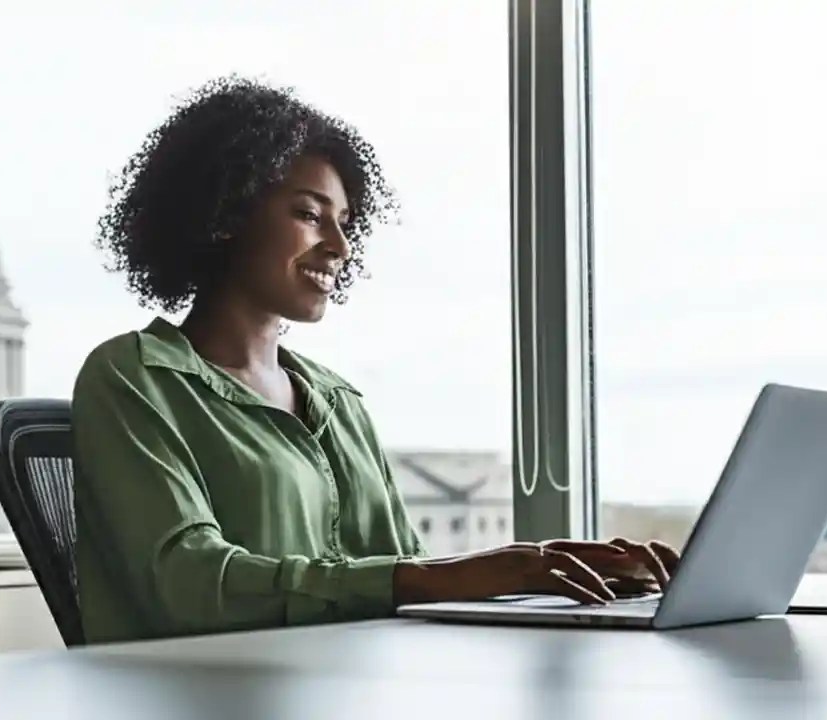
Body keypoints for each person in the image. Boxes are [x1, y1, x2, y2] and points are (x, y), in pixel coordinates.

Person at [73, 76, 678, 644]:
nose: (338, 247)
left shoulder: (338, 403)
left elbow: (401, 575)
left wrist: (546, 567)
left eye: (345, 223)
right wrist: (447, 577)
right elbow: (191, 584)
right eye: (310, 214)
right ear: (226, 211)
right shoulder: (135, 378)